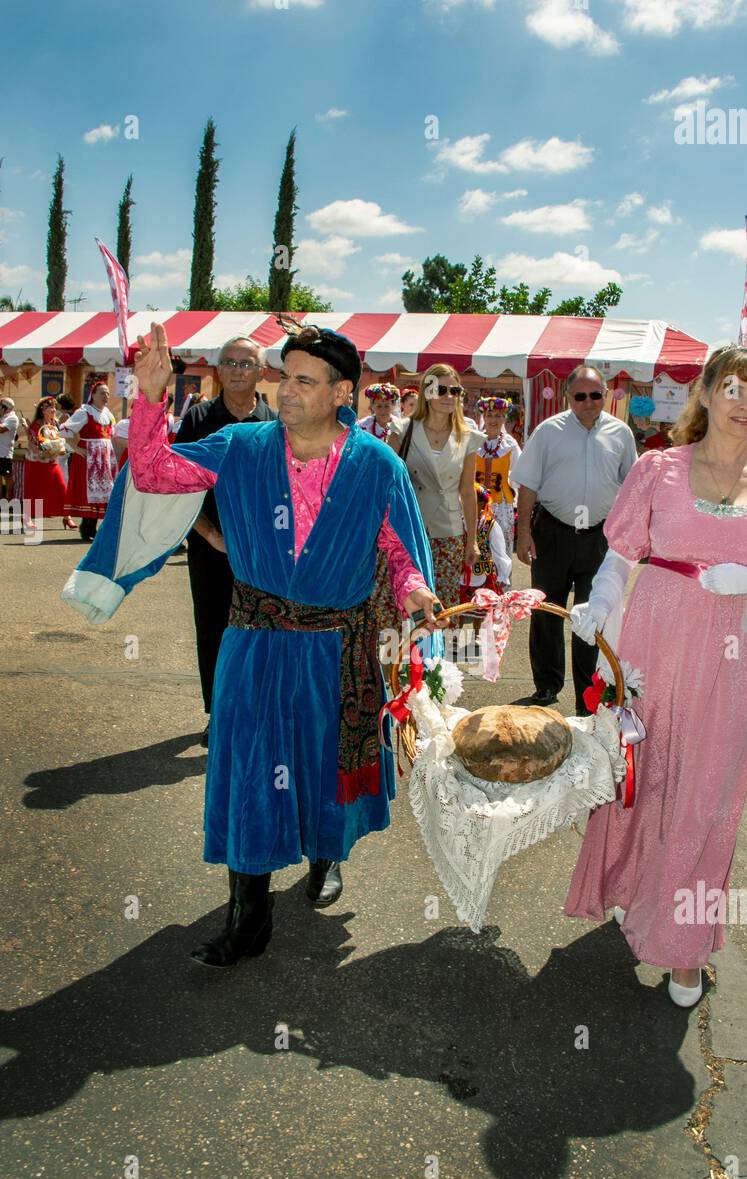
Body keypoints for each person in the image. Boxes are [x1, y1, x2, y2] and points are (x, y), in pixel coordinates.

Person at [67, 320, 442, 967]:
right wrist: (151, 400)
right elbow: (155, 474)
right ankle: (250, 913)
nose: (286, 388)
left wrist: (413, 591)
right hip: (254, 642)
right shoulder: (240, 445)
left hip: (333, 651)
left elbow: (398, 549)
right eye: (284, 374)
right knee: (249, 772)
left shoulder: (375, 465)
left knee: (323, 762)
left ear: (342, 391)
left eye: (304, 379)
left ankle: (325, 859)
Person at [567, 345, 747, 1007]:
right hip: (654, 639)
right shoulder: (657, 468)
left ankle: (683, 946)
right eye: (733, 388)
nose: (745, 404)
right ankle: (630, 890)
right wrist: (600, 605)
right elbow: (621, 553)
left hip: (735, 655)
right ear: (706, 393)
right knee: (642, 777)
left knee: (707, 798)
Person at [511, 364, 637, 710]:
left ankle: (588, 695)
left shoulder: (621, 433)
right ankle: (547, 686)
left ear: (606, 395)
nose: (588, 402)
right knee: (547, 610)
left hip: (599, 537)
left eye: (595, 395)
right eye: (580, 396)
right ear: (568, 397)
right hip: (552, 532)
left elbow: (631, 488)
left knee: (592, 615)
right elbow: (528, 485)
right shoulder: (548, 431)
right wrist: (524, 534)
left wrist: (628, 537)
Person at [174, 338, 277, 747]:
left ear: (261, 371)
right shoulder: (199, 419)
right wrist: (211, 535)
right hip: (211, 548)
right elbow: (179, 486)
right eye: (230, 362)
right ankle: (219, 714)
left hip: (265, 554)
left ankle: (255, 713)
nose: (237, 369)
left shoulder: (275, 422)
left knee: (262, 632)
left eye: (247, 363)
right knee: (214, 629)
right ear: (219, 370)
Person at [387, 364, 484, 609]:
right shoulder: (403, 429)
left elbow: (467, 491)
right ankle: (407, 649)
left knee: (444, 605)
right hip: (408, 527)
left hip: (448, 531)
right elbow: (387, 484)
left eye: (456, 390)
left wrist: (472, 540)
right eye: (441, 390)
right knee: (406, 602)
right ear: (427, 393)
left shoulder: (467, 435)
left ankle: (438, 649)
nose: (449, 396)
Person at [60, 381, 117, 542]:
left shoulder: (108, 414)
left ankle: (92, 527)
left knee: (102, 493)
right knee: (89, 493)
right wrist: (76, 449)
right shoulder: (84, 412)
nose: (106, 396)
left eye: (107, 393)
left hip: (103, 460)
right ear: (93, 395)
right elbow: (65, 430)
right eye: (102, 393)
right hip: (89, 459)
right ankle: (86, 528)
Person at [473, 395, 521, 556]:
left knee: (500, 546)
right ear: (483, 417)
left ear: (504, 418)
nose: (493, 420)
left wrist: (514, 493)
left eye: (498, 416)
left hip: (501, 504)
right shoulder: (473, 441)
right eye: (489, 415)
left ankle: (501, 580)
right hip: (475, 503)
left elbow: (518, 473)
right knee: (477, 545)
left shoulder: (509, 444)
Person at [23, 396, 67, 530]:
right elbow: (33, 444)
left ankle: (67, 516)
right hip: (37, 462)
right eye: (51, 407)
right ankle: (27, 518)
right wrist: (44, 451)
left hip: (52, 461)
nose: (54, 410)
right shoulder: (36, 425)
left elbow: (60, 439)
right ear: (43, 410)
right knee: (33, 491)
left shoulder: (55, 424)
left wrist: (58, 448)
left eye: (54, 407)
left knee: (61, 487)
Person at [0, 396, 19, 503]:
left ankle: (8, 498)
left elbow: (2, 429)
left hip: (5, 453)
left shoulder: (12, 418)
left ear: (5, 407)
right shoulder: (2, 417)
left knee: (7, 477)